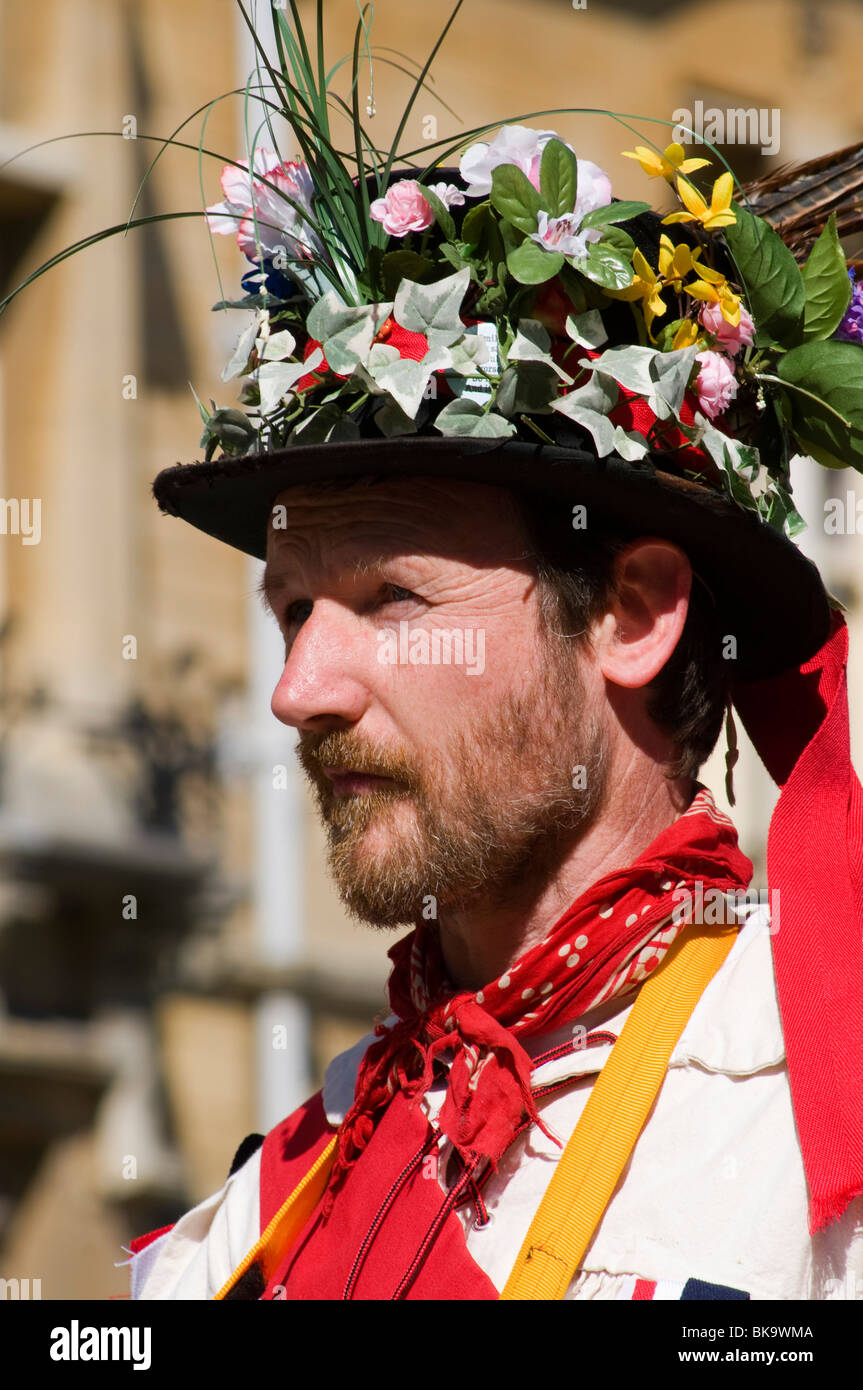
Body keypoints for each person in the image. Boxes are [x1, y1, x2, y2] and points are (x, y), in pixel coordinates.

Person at [33, 6, 851, 1301]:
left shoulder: (818, 1141)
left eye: (397, 597)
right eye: (295, 611)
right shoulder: (249, 1222)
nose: (301, 691)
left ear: (633, 615)